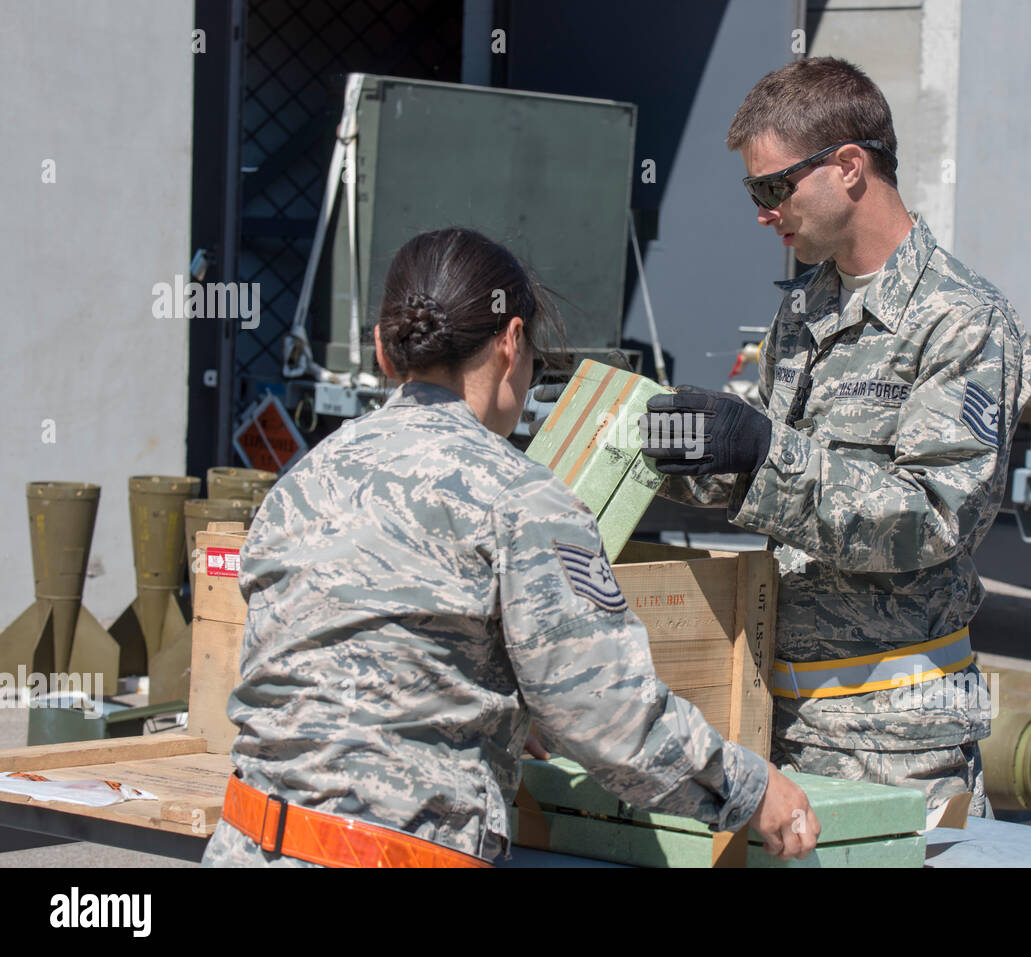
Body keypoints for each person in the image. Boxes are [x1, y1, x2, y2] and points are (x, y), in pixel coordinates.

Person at [202, 227, 818, 868]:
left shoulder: (303, 482)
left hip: (245, 843)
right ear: (511, 342)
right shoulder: (523, 499)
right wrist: (752, 788)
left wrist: (485, 712)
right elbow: (609, 717)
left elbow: (340, 666)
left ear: (385, 352)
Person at [640, 57, 1031, 818]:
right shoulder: (806, 310)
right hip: (775, 721)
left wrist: (761, 452)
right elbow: (765, 484)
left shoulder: (962, 319)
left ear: (849, 167)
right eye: (753, 192)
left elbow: (933, 517)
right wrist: (672, 453)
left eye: (772, 187)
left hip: (894, 745)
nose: (763, 213)